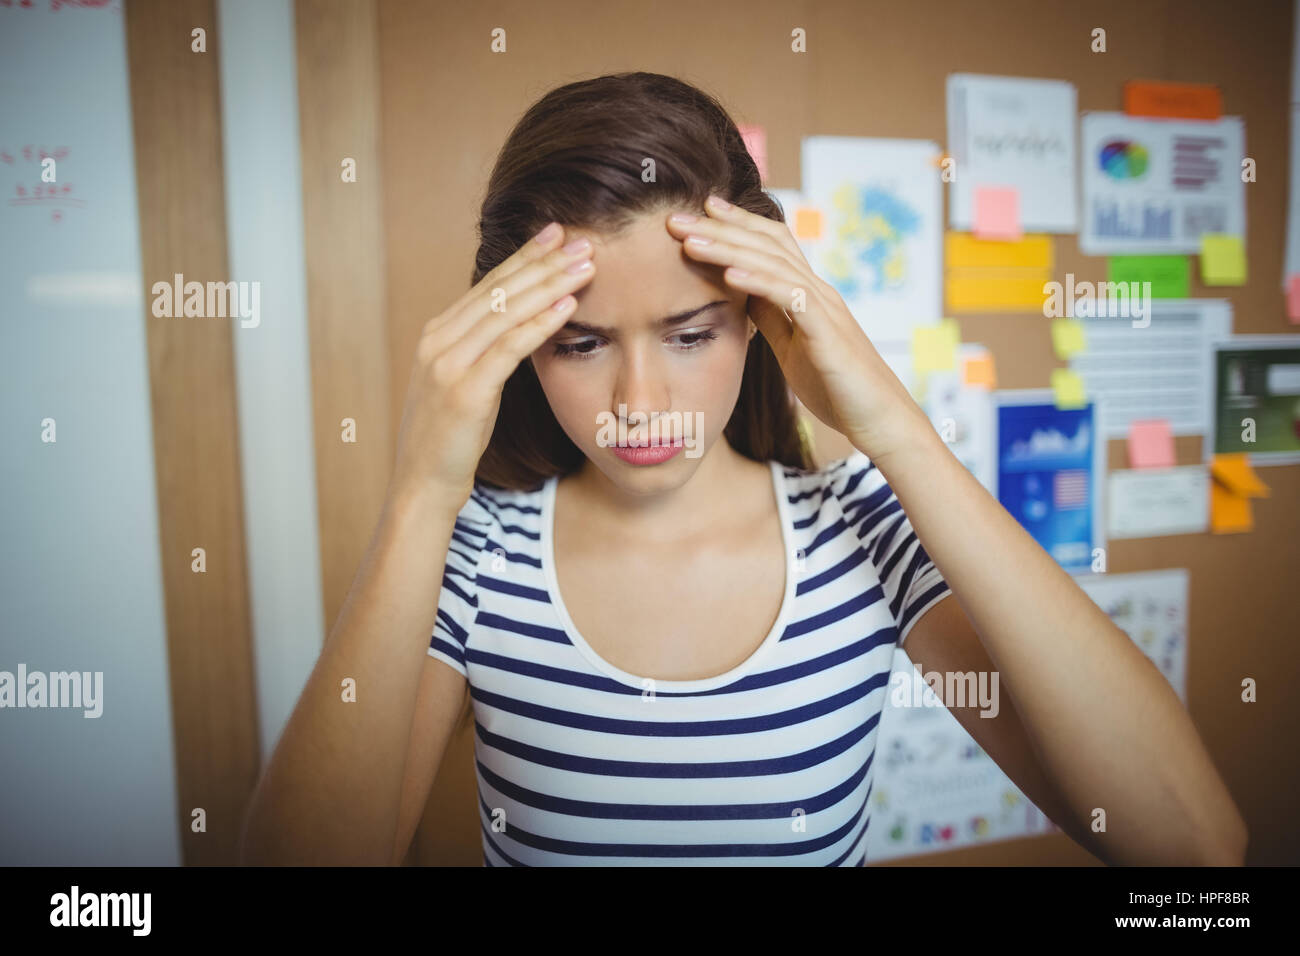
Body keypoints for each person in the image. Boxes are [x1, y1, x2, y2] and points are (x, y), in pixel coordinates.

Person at [240, 71, 1248, 867]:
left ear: (760, 319)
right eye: (581, 344)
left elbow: (1190, 844)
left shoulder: (861, 526)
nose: (640, 401)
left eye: (690, 332)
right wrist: (422, 491)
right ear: (517, 345)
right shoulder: (477, 554)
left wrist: (895, 430)